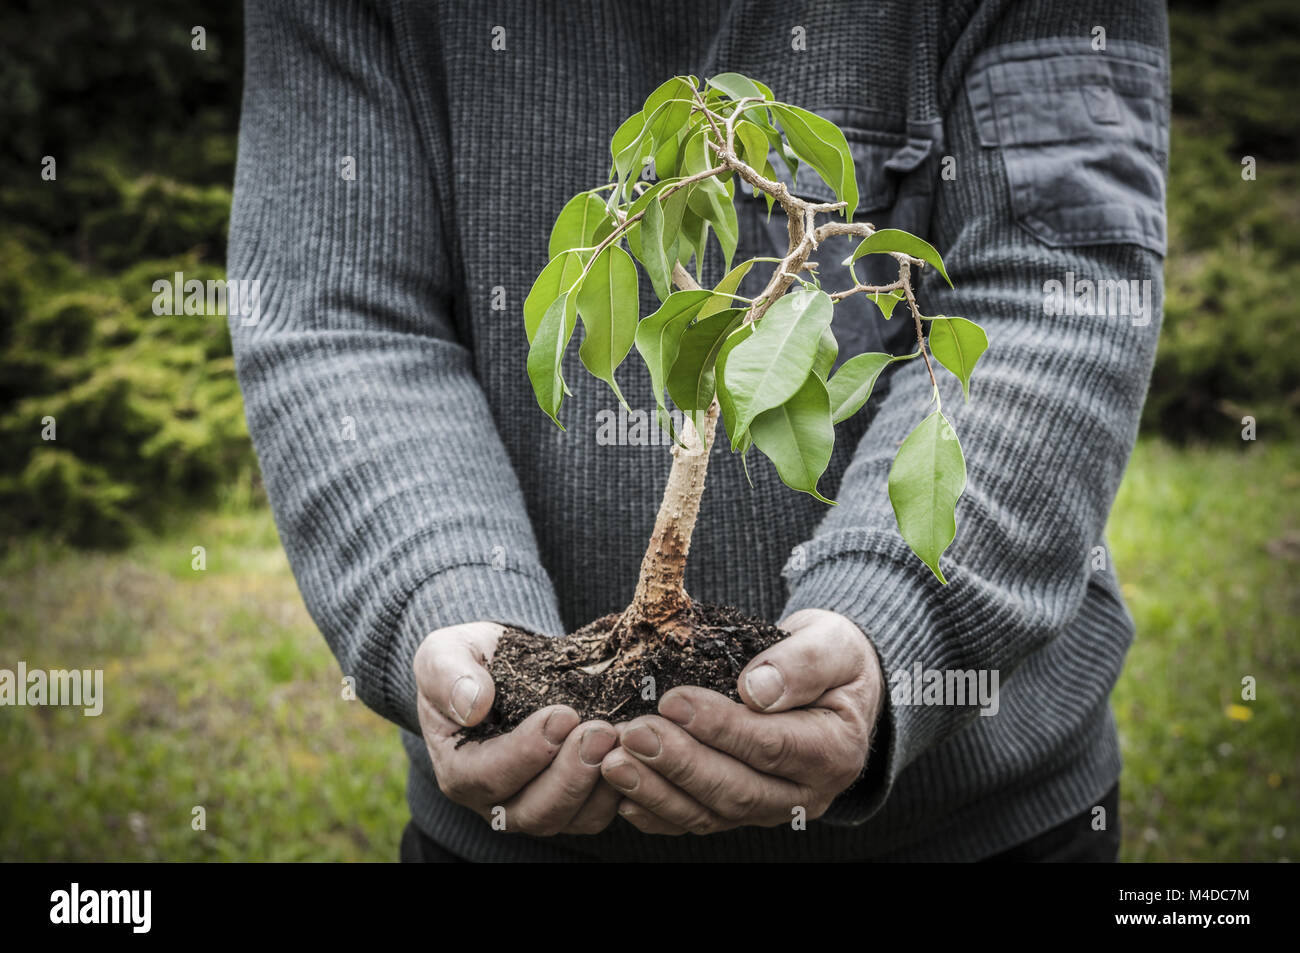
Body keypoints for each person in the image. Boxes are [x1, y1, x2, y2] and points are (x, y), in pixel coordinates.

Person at [229, 0, 1169, 862]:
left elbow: (1057, 288)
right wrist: (443, 595)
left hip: (978, 827)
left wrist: (893, 619)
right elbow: (336, 306)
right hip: (512, 837)